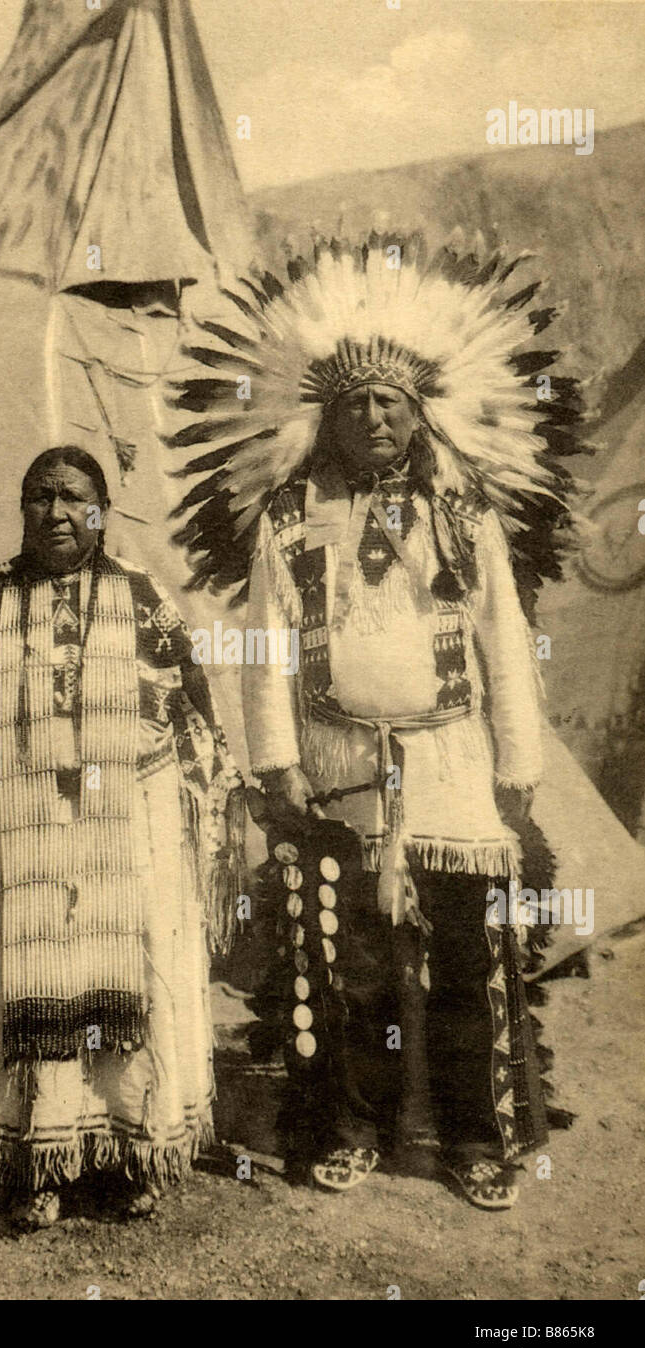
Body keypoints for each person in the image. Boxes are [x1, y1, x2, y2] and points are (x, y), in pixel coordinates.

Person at [168, 232, 589, 1209]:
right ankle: (342, 1122)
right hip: (331, 763)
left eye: (389, 401)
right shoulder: (288, 512)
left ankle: (471, 1137)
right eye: (354, 403)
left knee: (467, 962)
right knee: (335, 962)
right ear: (329, 418)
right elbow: (265, 641)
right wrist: (274, 759)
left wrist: (518, 763)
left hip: (451, 763)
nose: (373, 416)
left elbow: (502, 634)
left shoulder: (462, 511)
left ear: (417, 413)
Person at [0, 446, 244, 1228]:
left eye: (74, 497)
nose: (56, 513)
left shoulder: (142, 599)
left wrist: (204, 818)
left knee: (128, 979)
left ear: (102, 510)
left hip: (129, 831)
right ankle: (28, 1158)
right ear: (22, 510)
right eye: (39, 497)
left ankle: (128, 1151)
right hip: (14, 833)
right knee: (24, 980)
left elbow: (196, 727)